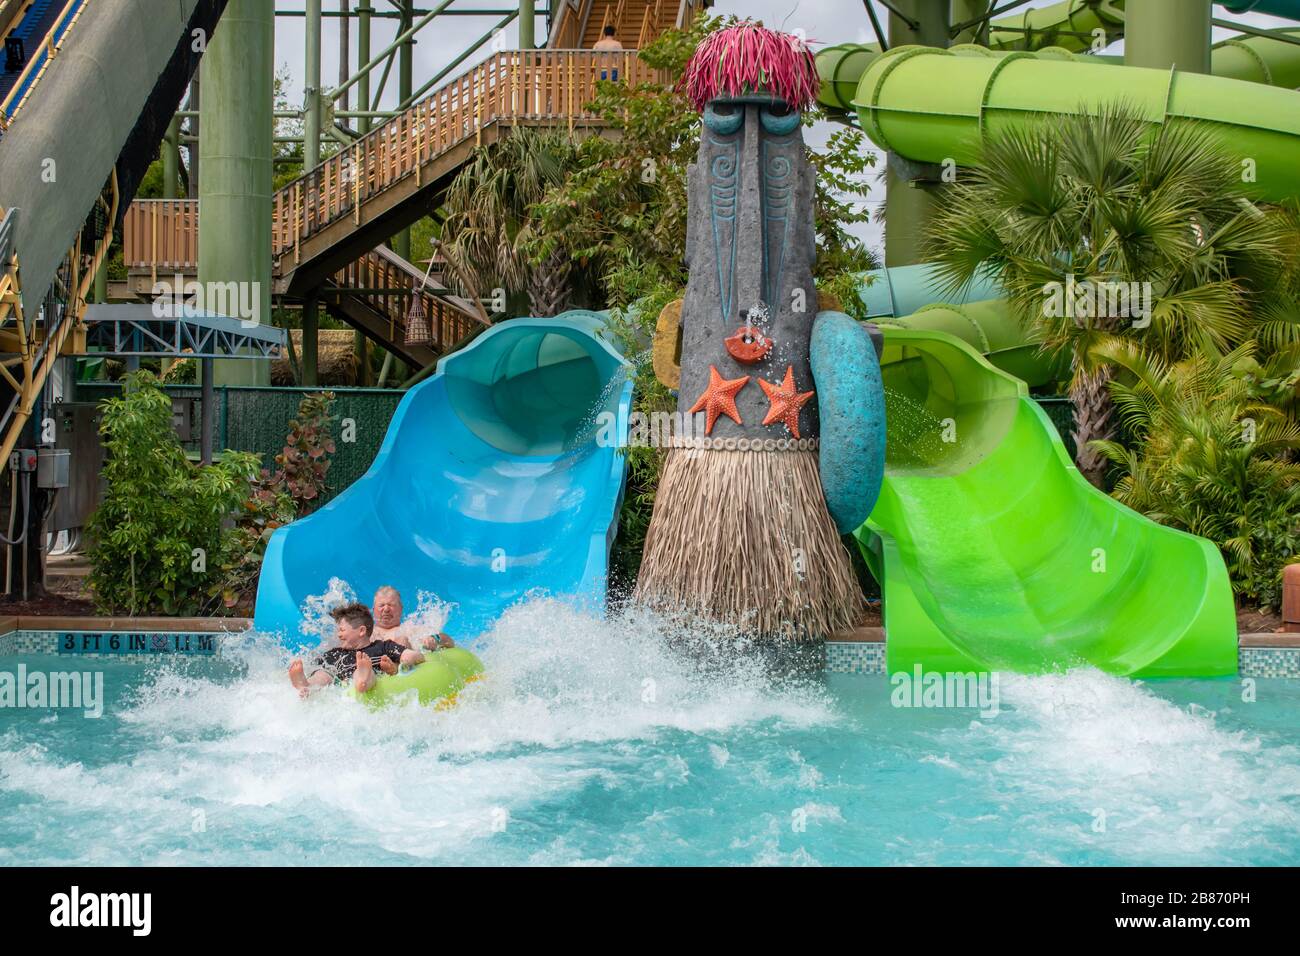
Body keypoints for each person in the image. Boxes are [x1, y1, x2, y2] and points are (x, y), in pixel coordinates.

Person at [288, 602, 424, 698]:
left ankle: (362, 680)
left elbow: (412, 655)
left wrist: (408, 658)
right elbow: (317, 668)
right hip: (339, 681)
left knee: (367, 671)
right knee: (323, 673)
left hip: (365, 674)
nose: (338, 635)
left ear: (361, 631)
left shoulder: (382, 647)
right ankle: (306, 685)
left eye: (342, 630)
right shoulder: (334, 653)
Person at [371, 585, 456, 652]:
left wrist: (435, 639)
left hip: (404, 668)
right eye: (381, 605)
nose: (386, 609)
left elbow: (449, 641)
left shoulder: (408, 628)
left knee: (401, 641)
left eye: (391, 605)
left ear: (401, 608)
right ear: (374, 609)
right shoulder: (366, 632)